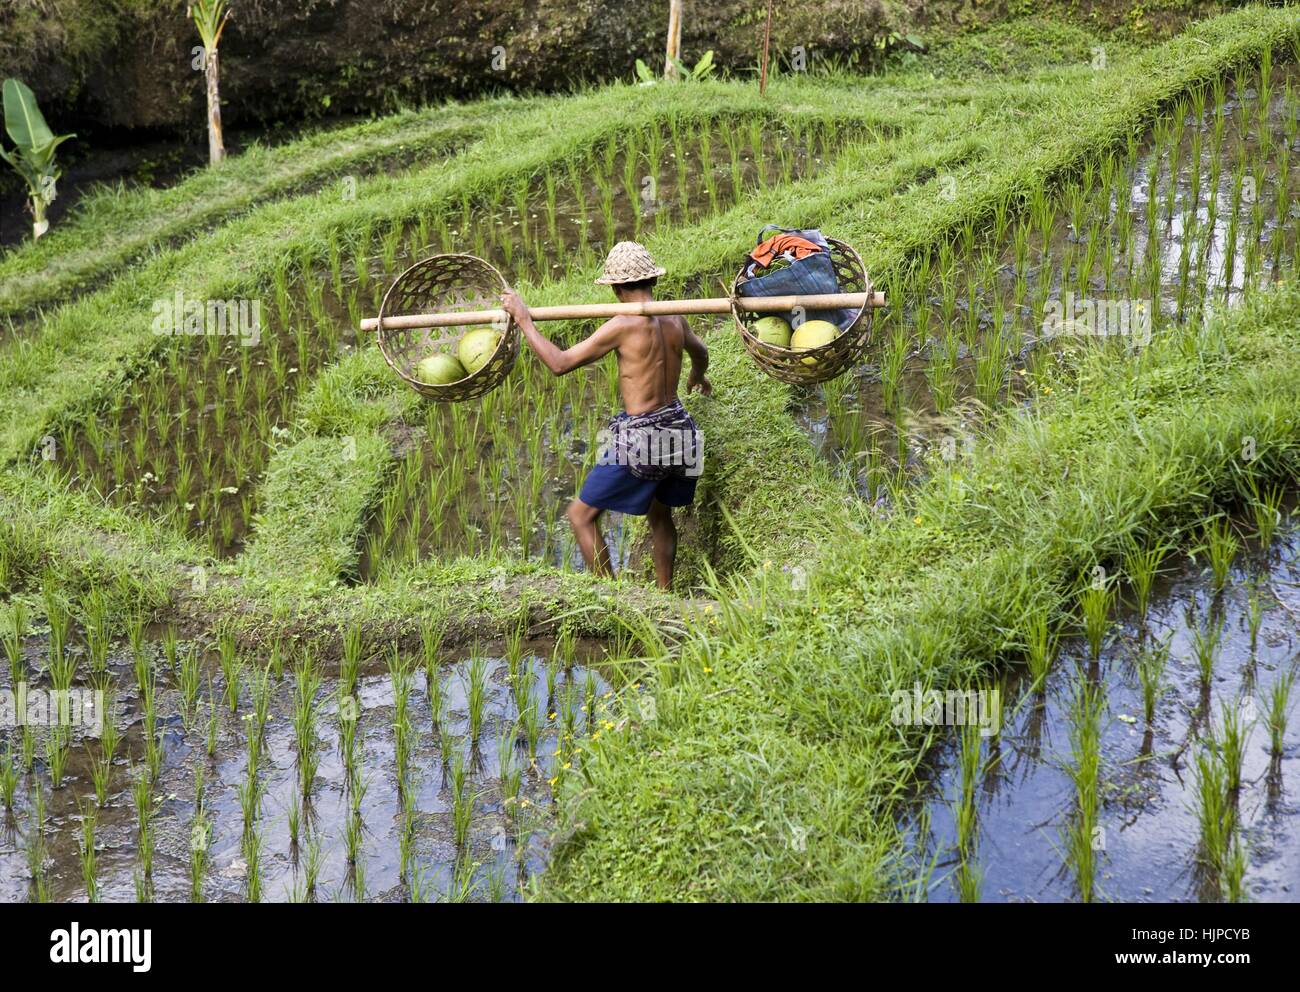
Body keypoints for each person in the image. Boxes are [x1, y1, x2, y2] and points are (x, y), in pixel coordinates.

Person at [500, 241, 711, 589]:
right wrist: (697, 375)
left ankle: (613, 599)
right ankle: (664, 592)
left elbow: (559, 363)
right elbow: (700, 352)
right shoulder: (676, 315)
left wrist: (524, 320)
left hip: (646, 436)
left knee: (580, 516)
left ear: (615, 288)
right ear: (653, 282)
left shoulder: (622, 324)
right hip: (681, 429)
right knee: (660, 515)